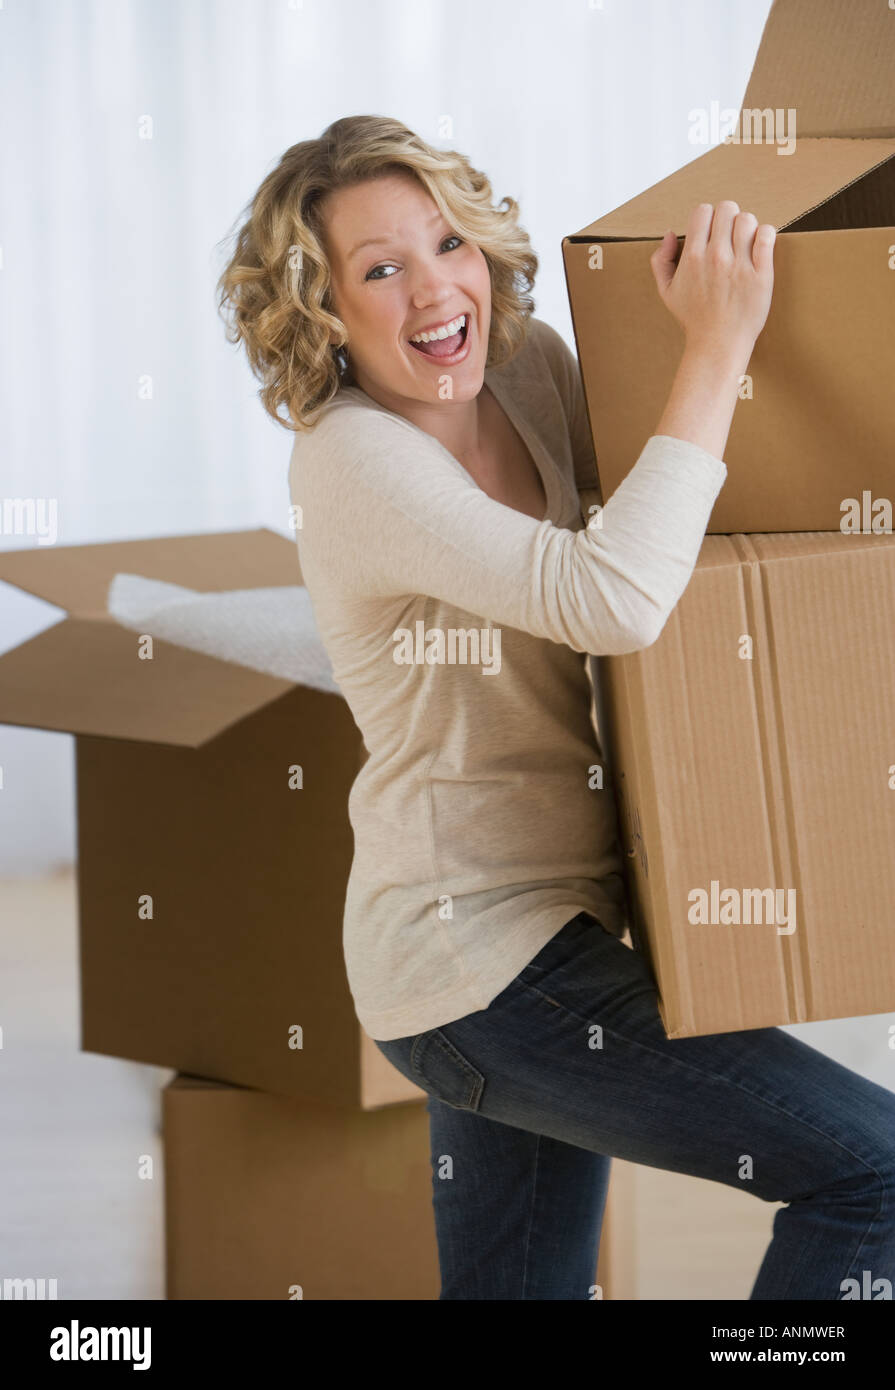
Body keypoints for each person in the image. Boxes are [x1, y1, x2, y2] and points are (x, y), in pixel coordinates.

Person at [217, 115, 895, 1301]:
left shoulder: (525, 369)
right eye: (381, 269)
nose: (436, 289)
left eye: (447, 244)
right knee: (873, 1174)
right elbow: (610, 597)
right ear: (322, 314)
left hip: (558, 929)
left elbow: (666, 523)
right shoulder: (351, 458)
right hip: (474, 968)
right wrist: (716, 344)